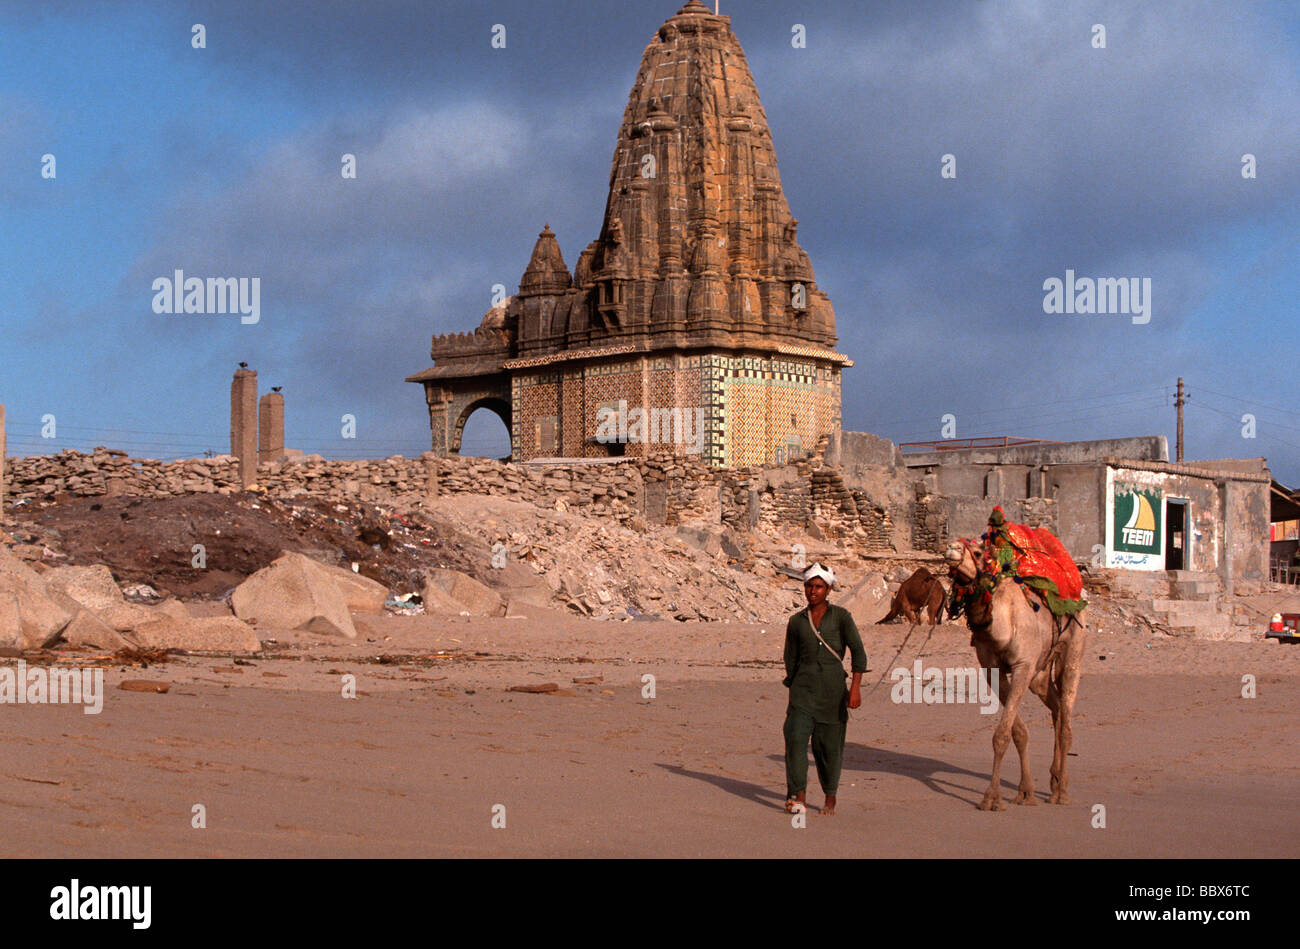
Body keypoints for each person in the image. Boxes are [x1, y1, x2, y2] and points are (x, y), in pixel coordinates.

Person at [782, 562, 867, 816]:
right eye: (809, 586)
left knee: (828, 747)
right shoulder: (796, 622)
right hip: (802, 692)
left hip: (833, 694)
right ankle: (799, 797)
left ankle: (830, 797)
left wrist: (855, 689)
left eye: (818, 586)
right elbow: (790, 658)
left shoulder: (842, 617)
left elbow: (859, 654)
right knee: (795, 738)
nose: (813, 591)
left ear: (828, 589)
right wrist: (795, 683)